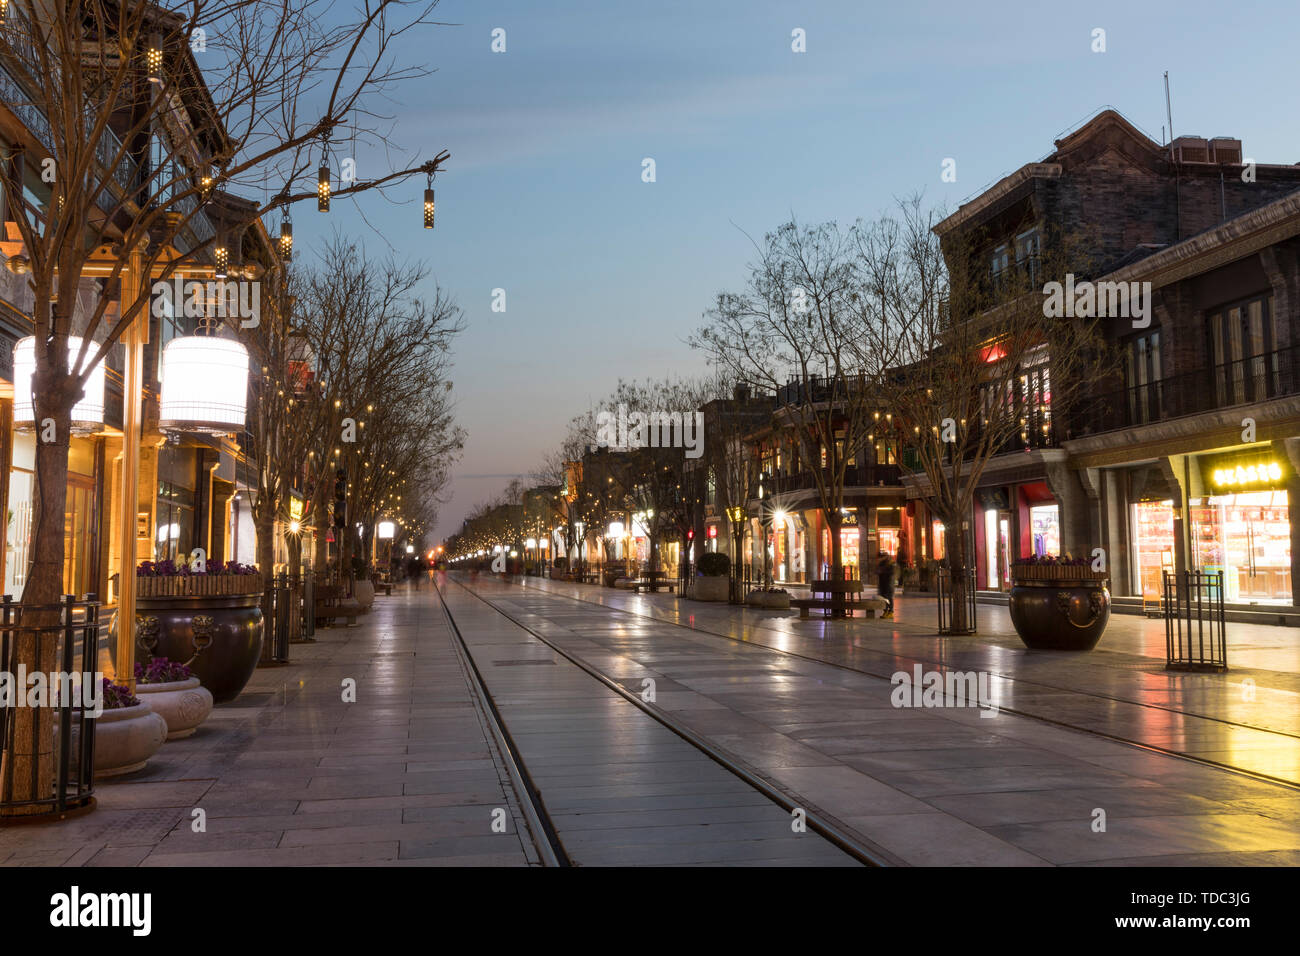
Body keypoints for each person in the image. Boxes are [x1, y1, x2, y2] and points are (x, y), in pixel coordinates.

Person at [876, 551, 895, 619]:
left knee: (889, 598)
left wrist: (882, 571)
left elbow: (891, 573)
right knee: (884, 598)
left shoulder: (890, 564)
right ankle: (885, 611)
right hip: (883, 584)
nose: (879, 559)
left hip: (888, 584)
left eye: (881, 557)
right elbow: (877, 572)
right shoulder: (881, 563)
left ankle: (890, 612)